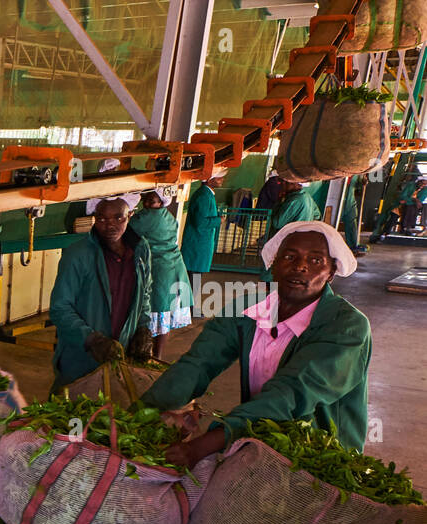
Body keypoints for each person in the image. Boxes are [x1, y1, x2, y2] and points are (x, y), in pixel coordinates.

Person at [140, 221, 369, 467]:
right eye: (290, 256)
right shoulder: (246, 310)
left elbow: (292, 393)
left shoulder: (346, 326)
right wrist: (144, 412)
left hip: (320, 455)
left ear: (331, 273)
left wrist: (204, 444)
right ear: (273, 266)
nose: (300, 266)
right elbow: (198, 363)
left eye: (315, 261)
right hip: (260, 439)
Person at [48, 193, 153, 391]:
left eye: (118, 218)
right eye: (102, 218)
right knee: (74, 411)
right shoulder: (78, 255)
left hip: (121, 356)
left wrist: (143, 329)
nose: (109, 225)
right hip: (81, 358)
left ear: (130, 215)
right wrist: (92, 340)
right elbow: (60, 308)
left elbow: (144, 295)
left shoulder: (141, 250)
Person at [129, 188, 193, 360]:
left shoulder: (146, 217)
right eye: (146, 199)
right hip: (175, 268)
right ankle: (158, 355)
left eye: (152, 200)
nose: (148, 204)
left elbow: (128, 229)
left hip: (159, 270)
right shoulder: (169, 217)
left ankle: (148, 355)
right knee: (165, 316)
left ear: (161, 201)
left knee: (154, 313)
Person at [181, 167, 226, 277]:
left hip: (199, 244)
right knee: (193, 279)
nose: (222, 180)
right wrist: (218, 220)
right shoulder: (204, 196)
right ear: (209, 180)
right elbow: (200, 223)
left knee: (193, 277)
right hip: (197, 245)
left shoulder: (206, 194)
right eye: (219, 178)